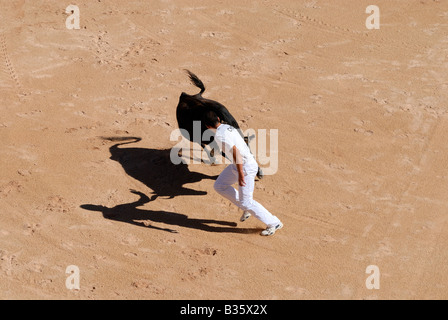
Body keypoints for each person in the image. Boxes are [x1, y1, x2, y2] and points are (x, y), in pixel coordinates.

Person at [202, 110, 283, 236]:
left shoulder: (220, 136)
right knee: (219, 186)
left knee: (246, 202)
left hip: (245, 167)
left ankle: (274, 223)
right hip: (239, 164)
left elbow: (235, 152)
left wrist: (240, 173)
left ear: (207, 126)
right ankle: (246, 208)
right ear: (218, 118)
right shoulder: (227, 126)